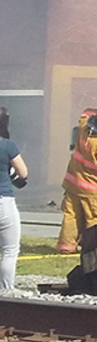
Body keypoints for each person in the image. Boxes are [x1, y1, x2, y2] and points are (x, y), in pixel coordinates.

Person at [56, 105, 97, 252]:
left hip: (73, 185)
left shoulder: (84, 128)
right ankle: (93, 249)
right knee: (96, 219)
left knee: (71, 216)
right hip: (94, 191)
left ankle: (66, 247)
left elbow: (85, 113)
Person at [1, 107, 29, 291]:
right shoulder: (8, 145)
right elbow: (23, 172)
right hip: (3, 201)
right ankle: (5, 290)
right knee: (10, 250)